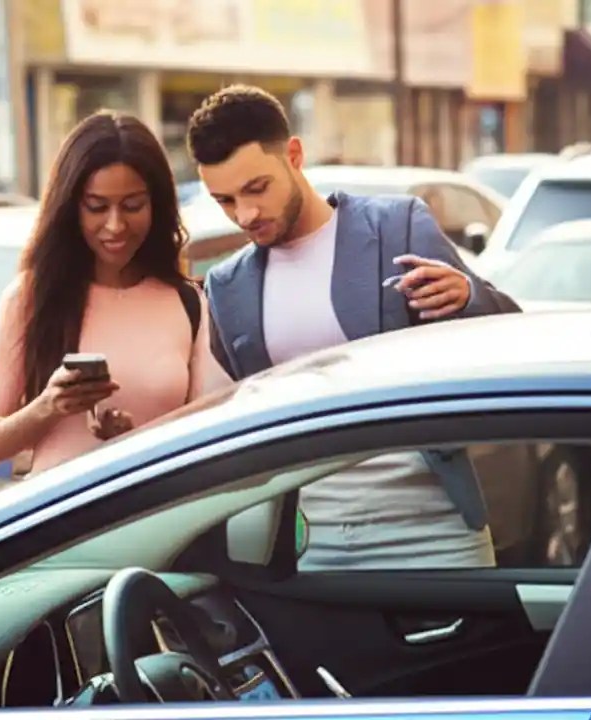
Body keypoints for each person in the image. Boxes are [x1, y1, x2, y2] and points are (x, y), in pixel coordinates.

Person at [187, 84, 521, 570]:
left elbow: (514, 342)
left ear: (294, 156)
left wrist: (469, 298)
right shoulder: (228, 286)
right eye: (225, 200)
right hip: (312, 544)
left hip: (432, 525)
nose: (245, 214)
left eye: (256, 188)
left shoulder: (396, 226)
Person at [0, 110, 225, 474]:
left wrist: (132, 438)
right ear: (70, 207)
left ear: (157, 206)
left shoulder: (188, 302)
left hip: (161, 518)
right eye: (96, 207)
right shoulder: (29, 299)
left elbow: (207, 435)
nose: (115, 225)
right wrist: (50, 405)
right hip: (61, 520)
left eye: (132, 206)